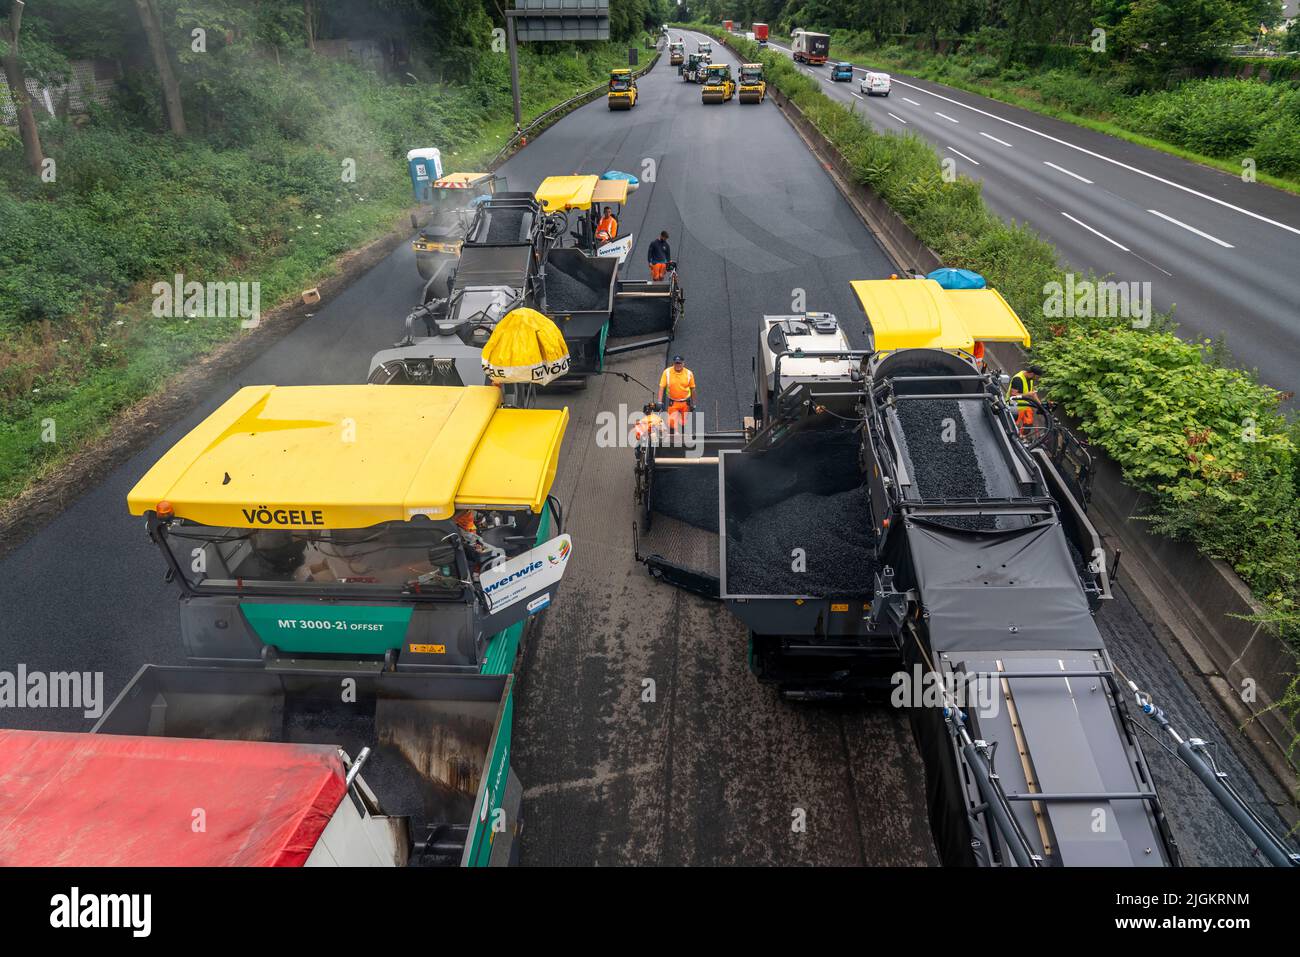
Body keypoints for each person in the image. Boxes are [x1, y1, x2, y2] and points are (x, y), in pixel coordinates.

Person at [657, 355, 696, 431]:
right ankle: (674, 438)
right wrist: (659, 401)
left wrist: (694, 403)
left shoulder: (689, 373)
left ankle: (684, 438)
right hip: (673, 402)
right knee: (672, 423)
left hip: (685, 403)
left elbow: (693, 389)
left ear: (683, 363)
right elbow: (661, 387)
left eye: (679, 363)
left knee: (685, 422)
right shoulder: (667, 372)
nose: (678, 365)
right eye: (676, 363)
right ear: (673, 363)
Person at [1006, 366, 1042, 436]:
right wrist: (1028, 394)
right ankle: (1012, 437)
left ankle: (1022, 436)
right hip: (1013, 405)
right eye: (1037, 377)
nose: (1038, 379)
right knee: (1012, 425)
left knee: (1028, 425)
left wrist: (1041, 406)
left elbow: (1033, 393)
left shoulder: (1030, 379)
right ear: (1032, 374)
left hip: (1024, 405)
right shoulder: (1018, 379)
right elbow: (1013, 395)